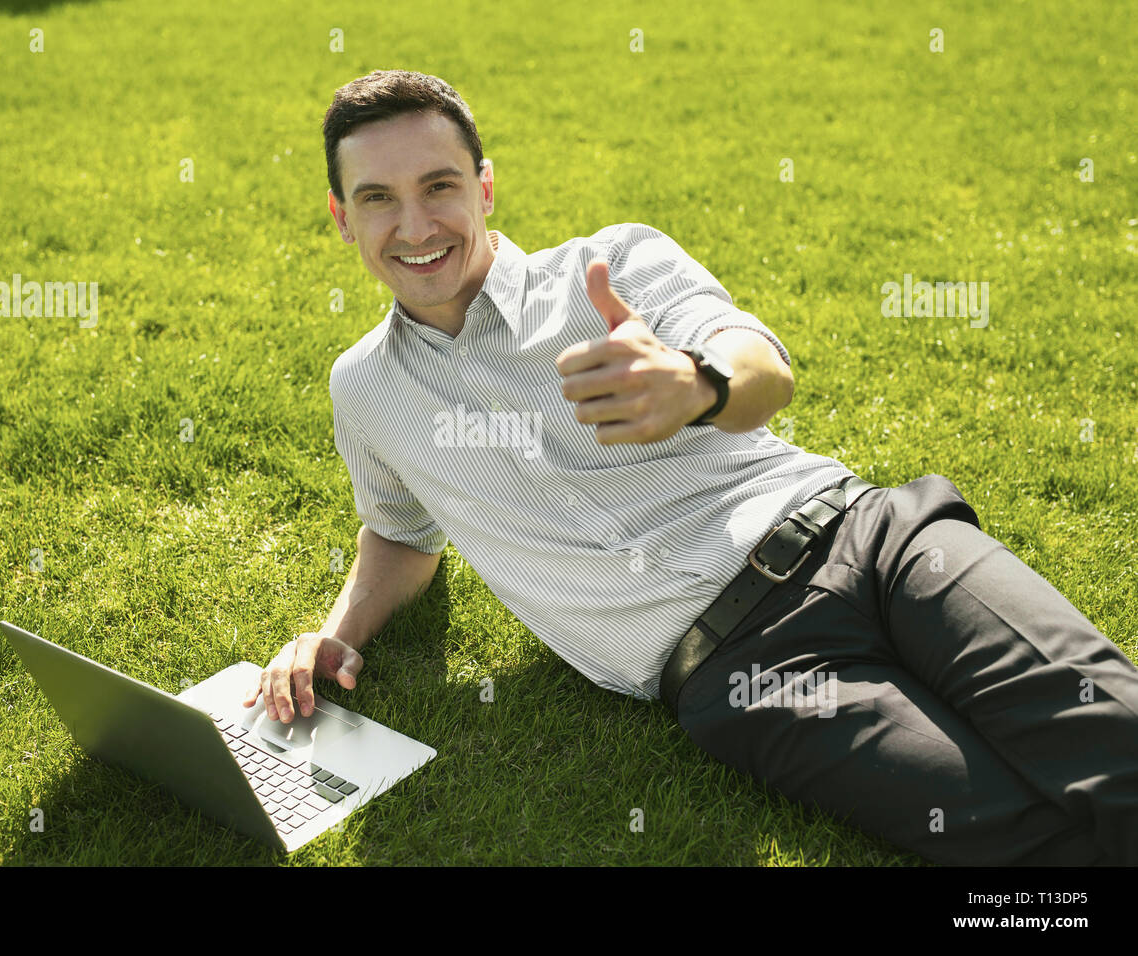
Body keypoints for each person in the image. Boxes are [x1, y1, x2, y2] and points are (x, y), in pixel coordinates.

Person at [243, 69, 1138, 865]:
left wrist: (697, 387)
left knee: (1115, 744)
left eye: (439, 186)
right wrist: (339, 630)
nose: (415, 226)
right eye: (377, 199)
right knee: (1022, 841)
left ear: (483, 187)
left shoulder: (610, 267)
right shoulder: (365, 390)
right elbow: (401, 533)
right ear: (341, 216)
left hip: (874, 542)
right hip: (744, 673)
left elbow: (761, 369)